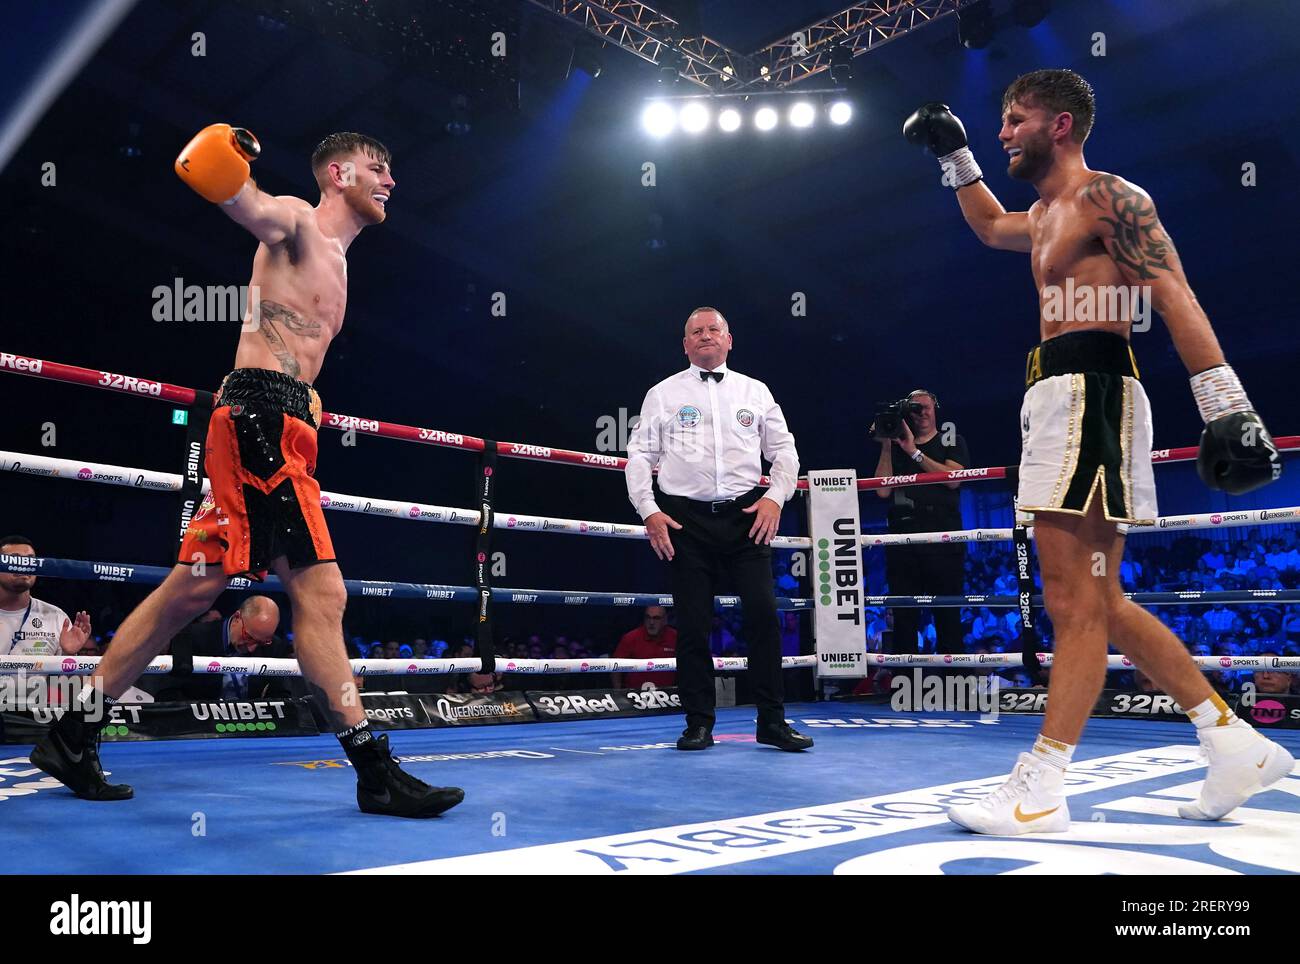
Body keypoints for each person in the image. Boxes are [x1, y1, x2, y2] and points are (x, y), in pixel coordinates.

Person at [30, 126, 462, 818]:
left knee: (190, 592)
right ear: (338, 172)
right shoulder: (296, 222)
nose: (390, 182)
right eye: (378, 168)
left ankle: (72, 733)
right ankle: (374, 770)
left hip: (276, 424)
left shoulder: (342, 264)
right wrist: (227, 156)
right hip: (261, 422)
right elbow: (225, 186)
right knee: (321, 596)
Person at [903, 69, 1290, 835]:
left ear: (1060, 126)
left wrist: (1226, 405)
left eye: (1014, 119)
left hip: (1092, 393)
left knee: (1072, 601)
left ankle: (1041, 787)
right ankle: (1232, 741)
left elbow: (1172, 288)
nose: (1004, 130)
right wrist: (957, 157)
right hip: (1058, 396)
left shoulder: (1111, 198)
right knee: (1102, 601)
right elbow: (987, 226)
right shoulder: (1045, 213)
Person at [625, 306, 812, 752]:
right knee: (691, 625)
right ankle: (698, 723)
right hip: (685, 519)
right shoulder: (662, 394)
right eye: (696, 331)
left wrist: (774, 497)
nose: (706, 335)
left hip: (746, 516)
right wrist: (649, 509)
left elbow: (785, 452)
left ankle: (771, 720)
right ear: (685, 344)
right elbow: (639, 456)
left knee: (765, 617)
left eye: (714, 329)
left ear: (729, 339)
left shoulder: (756, 390)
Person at [871, 390, 970, 655]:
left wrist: (914, 452)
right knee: (905, 616)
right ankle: (907, 686)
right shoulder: (896, 447)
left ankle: (956, 686)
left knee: (947, 614)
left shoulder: (952, 440)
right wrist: (887, 444)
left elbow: (953, 479)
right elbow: (882, 491)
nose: (922, 413)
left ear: (935, 408)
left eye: (926, 407)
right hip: (904, 537)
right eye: (915, 409)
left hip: (942, 537)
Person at [161, 596, 296, 701]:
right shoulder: (192, 637)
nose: (251, 648)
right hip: (202, 728)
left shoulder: (275, 647)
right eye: (248, 637)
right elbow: (169, 694)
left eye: (261, 642)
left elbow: (282, 696)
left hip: (252, 728)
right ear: (237, 618)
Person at [0, 535, 92, 657]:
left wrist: (68, 654)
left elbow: (73, 677)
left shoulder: (56, 618)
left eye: (30, 560)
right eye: (15, 560)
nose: (23, 565)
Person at [612, 605, 678, 690]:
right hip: (634, 696)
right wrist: (619, 694)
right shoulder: (631, 638)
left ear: (665, 620)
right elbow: (615, 668)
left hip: (669, 696)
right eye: (648, 617)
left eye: (656, 618)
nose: (651, 622)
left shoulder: (675, 637)